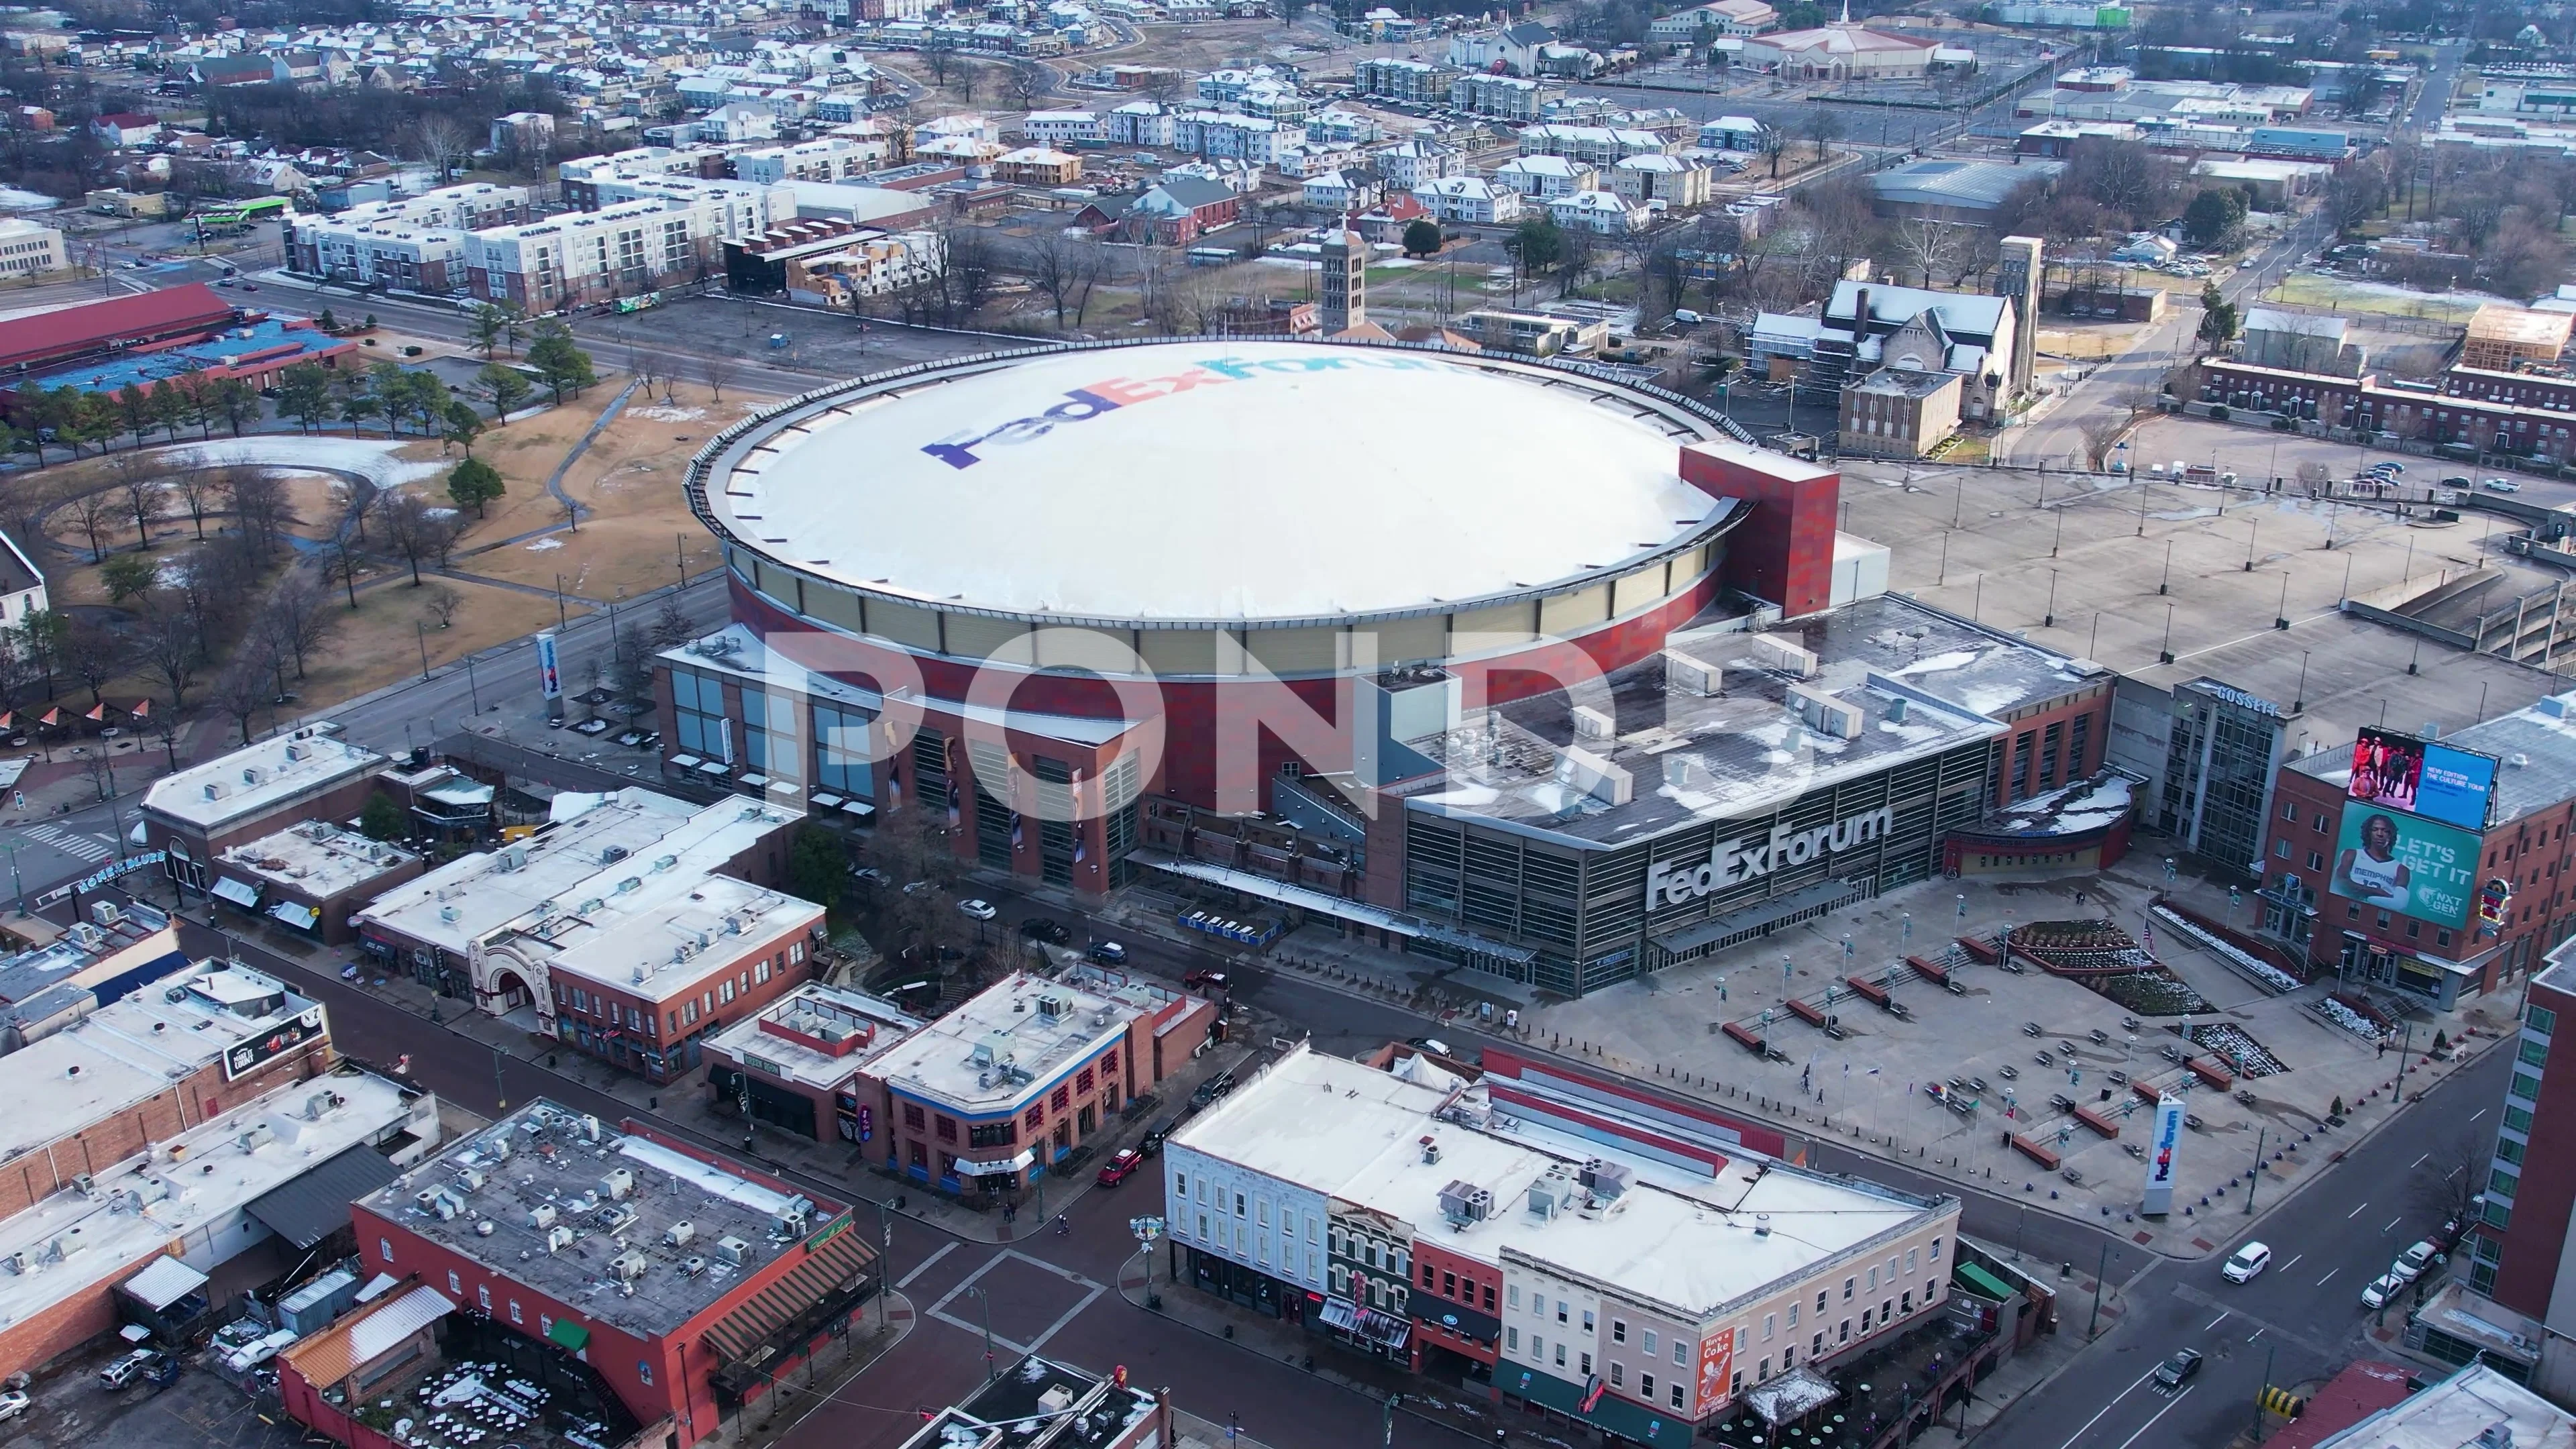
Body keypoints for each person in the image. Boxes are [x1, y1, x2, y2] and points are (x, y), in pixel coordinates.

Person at [2334, 812, 2410, 908]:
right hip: (2345, 906)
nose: (2380, 834)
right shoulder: (2352, 854)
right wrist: (2374, 891)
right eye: (2375, 829)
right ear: (2368, 832)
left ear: (2391, 835)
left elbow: (2400, 903)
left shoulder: (2401, 869)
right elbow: (2340, 882)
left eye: (2385, 831)